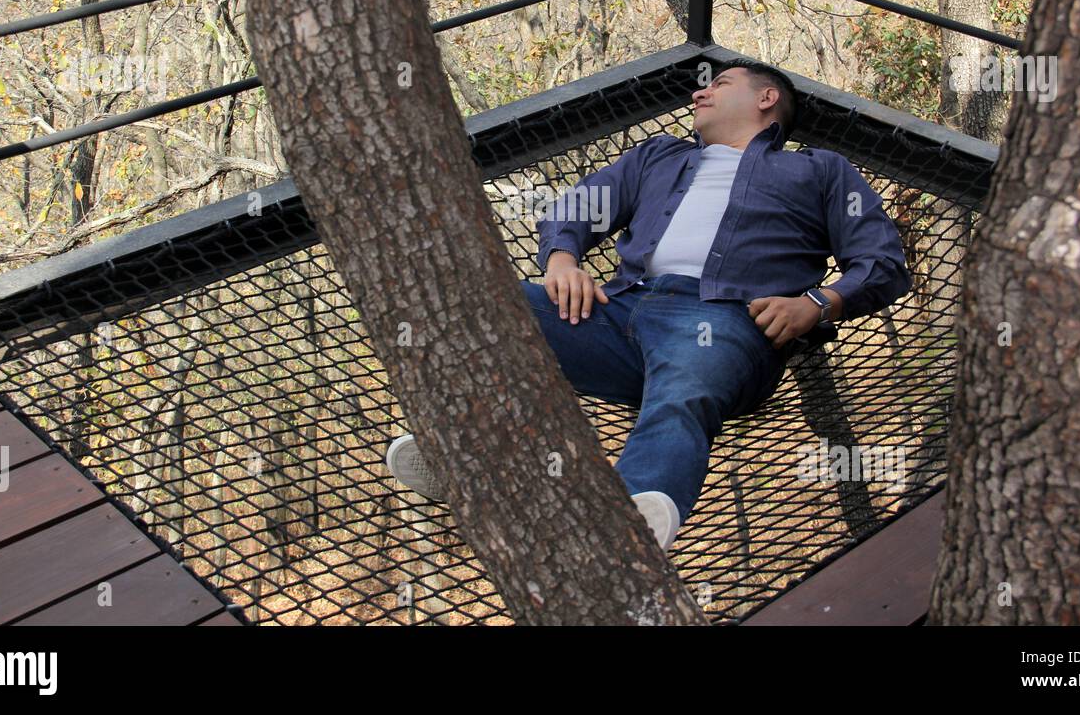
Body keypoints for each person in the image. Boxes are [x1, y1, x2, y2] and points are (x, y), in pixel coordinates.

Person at [385, 58, 912, 551]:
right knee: (484, 302)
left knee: (683, 391)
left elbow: (882, 263)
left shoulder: (820, 171)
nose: (699, 91)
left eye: (720, 84)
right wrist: (563, 260)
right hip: (615, 313)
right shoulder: (658, 156)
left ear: (767, 98)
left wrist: (818, 304)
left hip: (723, 321)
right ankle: (457, 452)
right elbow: (578, 206)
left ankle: (623, 530)